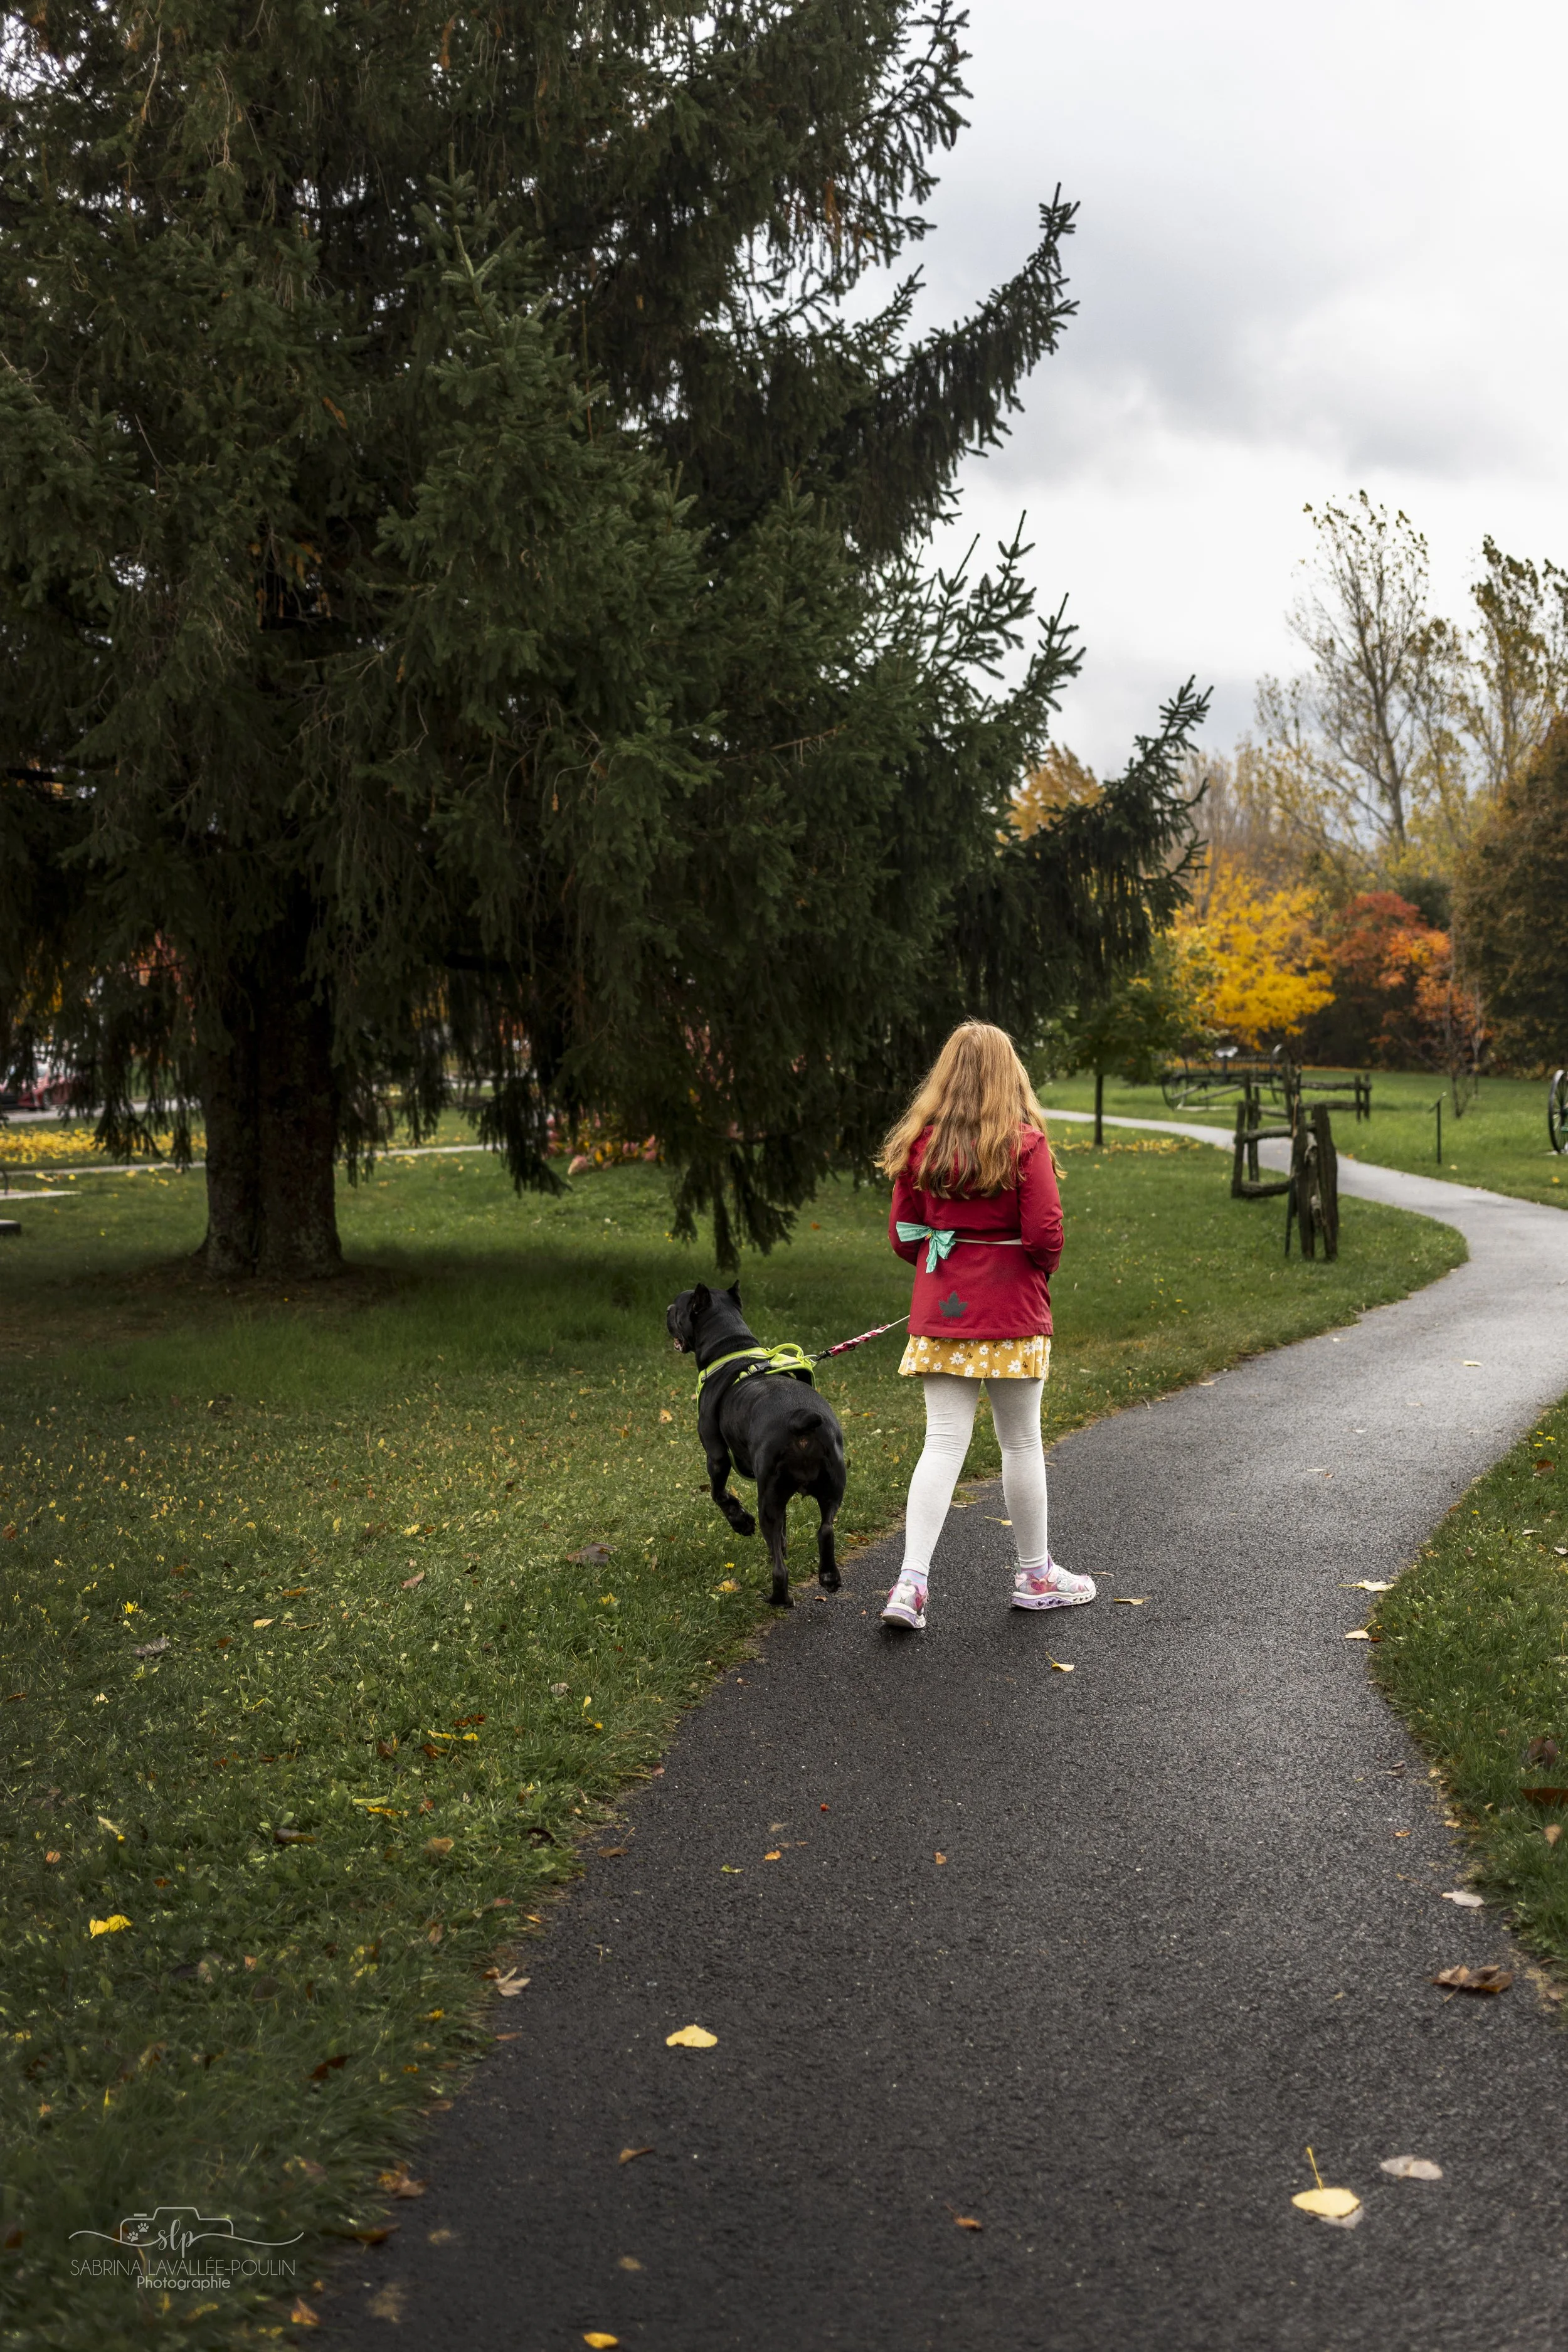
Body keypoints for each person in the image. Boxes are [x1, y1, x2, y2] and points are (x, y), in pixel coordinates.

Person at [876, 1020, 1094, 1631]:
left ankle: (910, 1584)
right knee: (1020, 1441)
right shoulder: (1023, 1144)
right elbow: (1045, 1234)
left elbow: (902, 1237)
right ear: (1010, 1076)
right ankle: (1035, 1574)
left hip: (941, 1314)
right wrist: (1030, 1269)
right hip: (1011, 1315)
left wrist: (948, 1260)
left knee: (942, 1442)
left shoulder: (920, 1147)